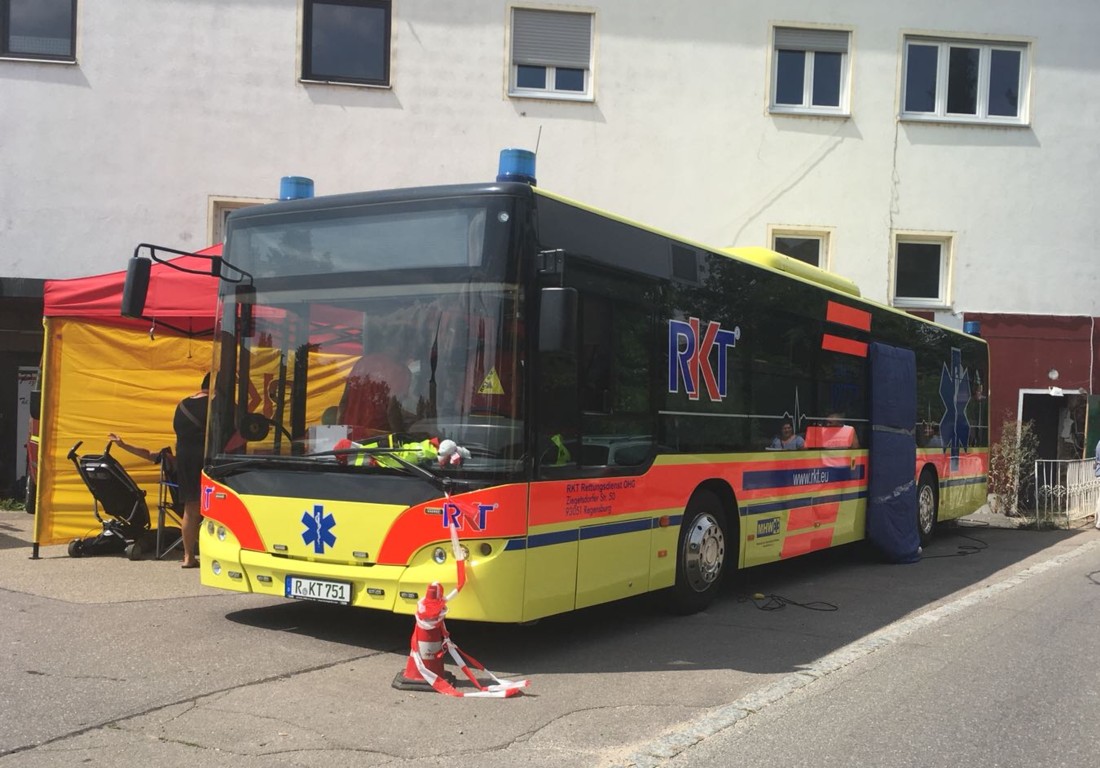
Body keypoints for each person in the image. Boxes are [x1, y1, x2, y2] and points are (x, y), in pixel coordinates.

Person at [172, 373, 210, 568]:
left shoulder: (182, 405)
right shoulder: (216, 406)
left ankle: (188, 556)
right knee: (214, 509)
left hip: (184, 460)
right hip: (207, 460)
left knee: (190, 509)